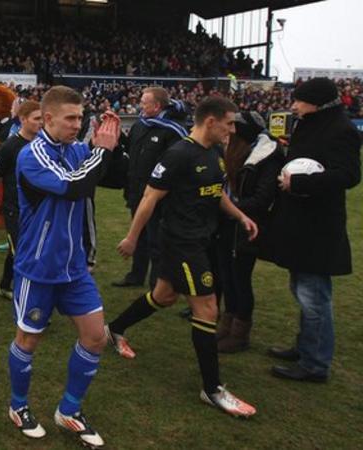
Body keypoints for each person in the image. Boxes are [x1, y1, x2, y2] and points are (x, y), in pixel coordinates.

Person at [109, 96, 258, 418]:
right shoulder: (178, 154)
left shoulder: (215, 154)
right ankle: (213, 388)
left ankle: (115, 328)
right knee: (206, 308)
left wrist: (240, 216)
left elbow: (215, 194)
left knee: (163, 296)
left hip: (201, 239)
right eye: (229, 123)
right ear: (211, 121)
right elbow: (150, 197)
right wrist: (133, 238)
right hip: (180, 242)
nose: (233, 129)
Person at [6, 86, 121, 448]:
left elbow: (108, 176)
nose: (78, 124)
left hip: (73, 269)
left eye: (81, 117)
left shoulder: (75, 149)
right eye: (70, 118)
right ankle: (18, 406)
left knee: (96, 336)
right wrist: (101, 150)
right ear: (49, 118)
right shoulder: (31, 155)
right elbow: (74, 186)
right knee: (28, 340)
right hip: (38, 267)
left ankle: (69, 410)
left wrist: (115, 142)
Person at [268, 77, 361, 382]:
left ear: (316, 101)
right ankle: (305, 346)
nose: (293, 105)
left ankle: (315, 363)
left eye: (298, 100)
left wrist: (300, 182)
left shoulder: (341, 130)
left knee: (314, 294)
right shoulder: (309, 123)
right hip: (300, 220)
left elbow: (348, 175)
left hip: (318, 225)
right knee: (301, 287)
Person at [215, 111, 283, 353]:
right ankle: (227, 324)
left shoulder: (267, 156)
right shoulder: (234, 152)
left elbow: (262, 198)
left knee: (240, 278)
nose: (230, 130)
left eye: (235, 126)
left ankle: (240, 333)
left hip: (247, 227)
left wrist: (228, 208)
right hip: (227, 225)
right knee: (226, 275)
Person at [114, 87, 188, 288]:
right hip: (137, 191)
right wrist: (117, 133)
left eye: (144, 102)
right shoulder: (140, 125)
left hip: (159, 195)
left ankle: (157, 281)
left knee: (157, 239)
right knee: (138, 234)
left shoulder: (173, 130)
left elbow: (177, 164)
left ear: (157, 106)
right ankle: (136, 275)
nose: (140, 105)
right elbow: (130, 149)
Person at [0, 100, 42, 299]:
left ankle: (4, 285)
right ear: (23, 119)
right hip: (14, 210)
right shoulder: (9, 147)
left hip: (38, 209)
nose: (41, 122)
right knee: (24, 255)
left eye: (42, 118)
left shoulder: (43, 143)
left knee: (20, 250)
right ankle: (27, 302)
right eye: (36, 119)